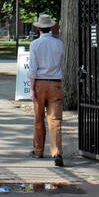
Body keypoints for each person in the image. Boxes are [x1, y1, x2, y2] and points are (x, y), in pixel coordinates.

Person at [28, 13, 65, 166]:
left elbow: (32, 68)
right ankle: (56, 152)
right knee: (55, 120)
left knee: (38, 118)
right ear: (51, 27)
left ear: (38, 28)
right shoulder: (59, 44)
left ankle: (38, 150)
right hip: (55, 83)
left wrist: (31, 88)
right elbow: (62, 63)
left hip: (40, 84)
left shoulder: (35, 44)